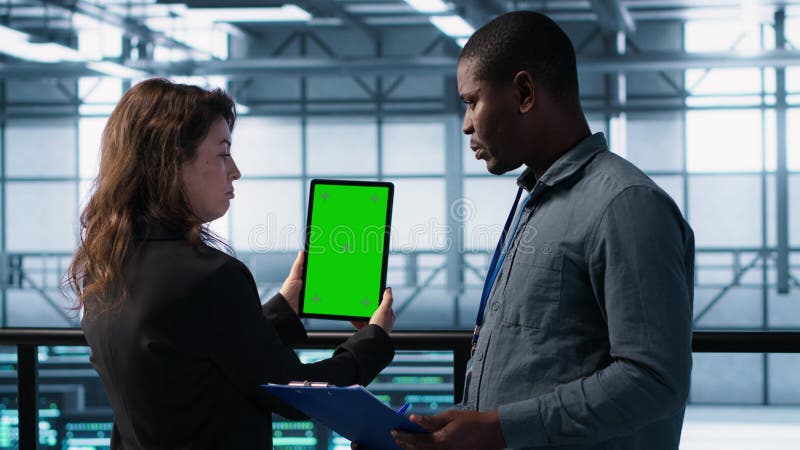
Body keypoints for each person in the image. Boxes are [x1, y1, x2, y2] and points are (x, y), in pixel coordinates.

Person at [392, 11, 694, 450]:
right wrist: (471, 423)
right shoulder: (537, 201)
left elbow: (654, 380)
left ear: (524, 93)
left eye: (472, 101)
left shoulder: (624, 206)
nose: (466, 125)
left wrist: (498, 428)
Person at [66, 78, 396, 449]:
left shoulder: (106, 267)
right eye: (223, 154)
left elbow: (201, 348)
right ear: (172, 162)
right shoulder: (212, 276)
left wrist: (286, 307)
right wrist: (374, 340)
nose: (235, 170)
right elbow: (296, 393)